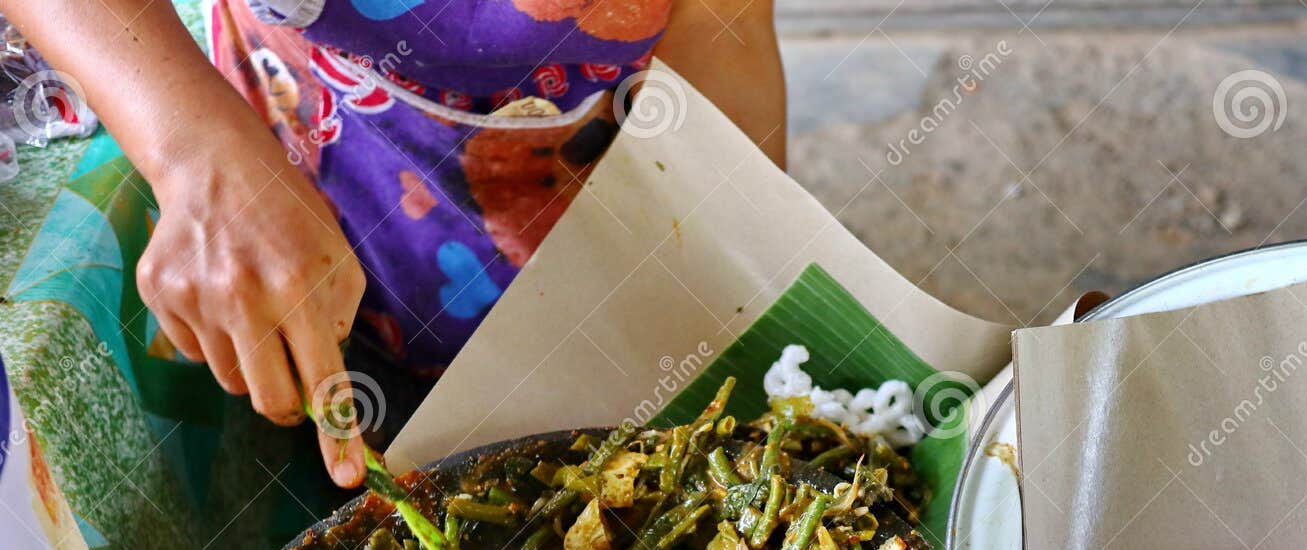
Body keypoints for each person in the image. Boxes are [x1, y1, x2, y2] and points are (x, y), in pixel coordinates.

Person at [6, 1, 785, 486]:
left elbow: (726, 23)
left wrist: (728, 287)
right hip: (319, 236)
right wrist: (194, 150)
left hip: (610, 256)